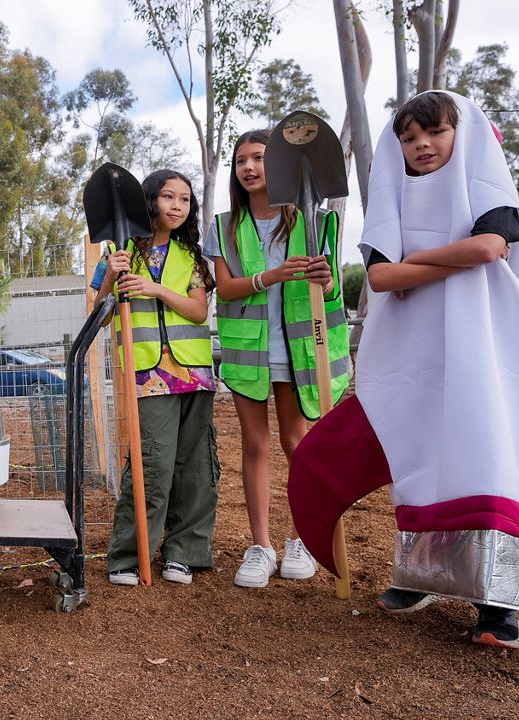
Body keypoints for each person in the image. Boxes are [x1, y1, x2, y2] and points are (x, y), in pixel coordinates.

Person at [288, 91, 519, 649]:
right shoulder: (398, 198)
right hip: (418, 355)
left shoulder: (484, 185)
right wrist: (423, 263)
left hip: (486, 351)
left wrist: (414, 262)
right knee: (423, 458)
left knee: (488, 458)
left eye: (435, 133)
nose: (422, 146)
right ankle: (420, 574)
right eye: (408, 138)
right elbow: (381, 280)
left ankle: (498, 604)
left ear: (463, 135)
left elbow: (489, 248)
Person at [204, 128, 349, 589]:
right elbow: (224, 289)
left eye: (259, 158)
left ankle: (302, 539)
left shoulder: (315, 220)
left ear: (280, 165)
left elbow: (329, 287)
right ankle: (260, 545)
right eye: (241, 160)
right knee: (255, 444)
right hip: (250, 351)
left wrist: (324, 279)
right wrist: (270, 276)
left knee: (296, 442)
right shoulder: (224, 226)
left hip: (299, 350)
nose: (248, 168)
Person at [90, 170, 219, 587]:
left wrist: (156, 289)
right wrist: (112, 275)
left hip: (194, 373)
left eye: (185, 199)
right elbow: (99, 310)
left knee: (194, 467)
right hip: (149, 374)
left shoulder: (191, 256)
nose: (178, 206)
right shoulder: (119, 253)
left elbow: (199, 312)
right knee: (153, 465)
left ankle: (184, 552)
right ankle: (131, 554)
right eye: (168, 197)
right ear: (150, 202)